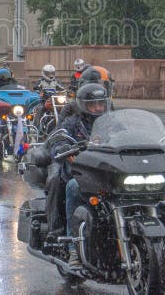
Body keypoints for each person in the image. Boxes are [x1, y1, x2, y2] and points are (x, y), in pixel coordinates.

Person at [49, 83, 109, 268]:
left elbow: (131, 135)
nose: (98, 108)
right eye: (93, 104)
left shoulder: (112, 122)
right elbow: (57, 138)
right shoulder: (73, 122)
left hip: (110, 173)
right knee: (73, 187)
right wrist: (64, 147)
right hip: (82, 173)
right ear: (84, 105)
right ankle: (73, 249)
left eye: (101, 103)